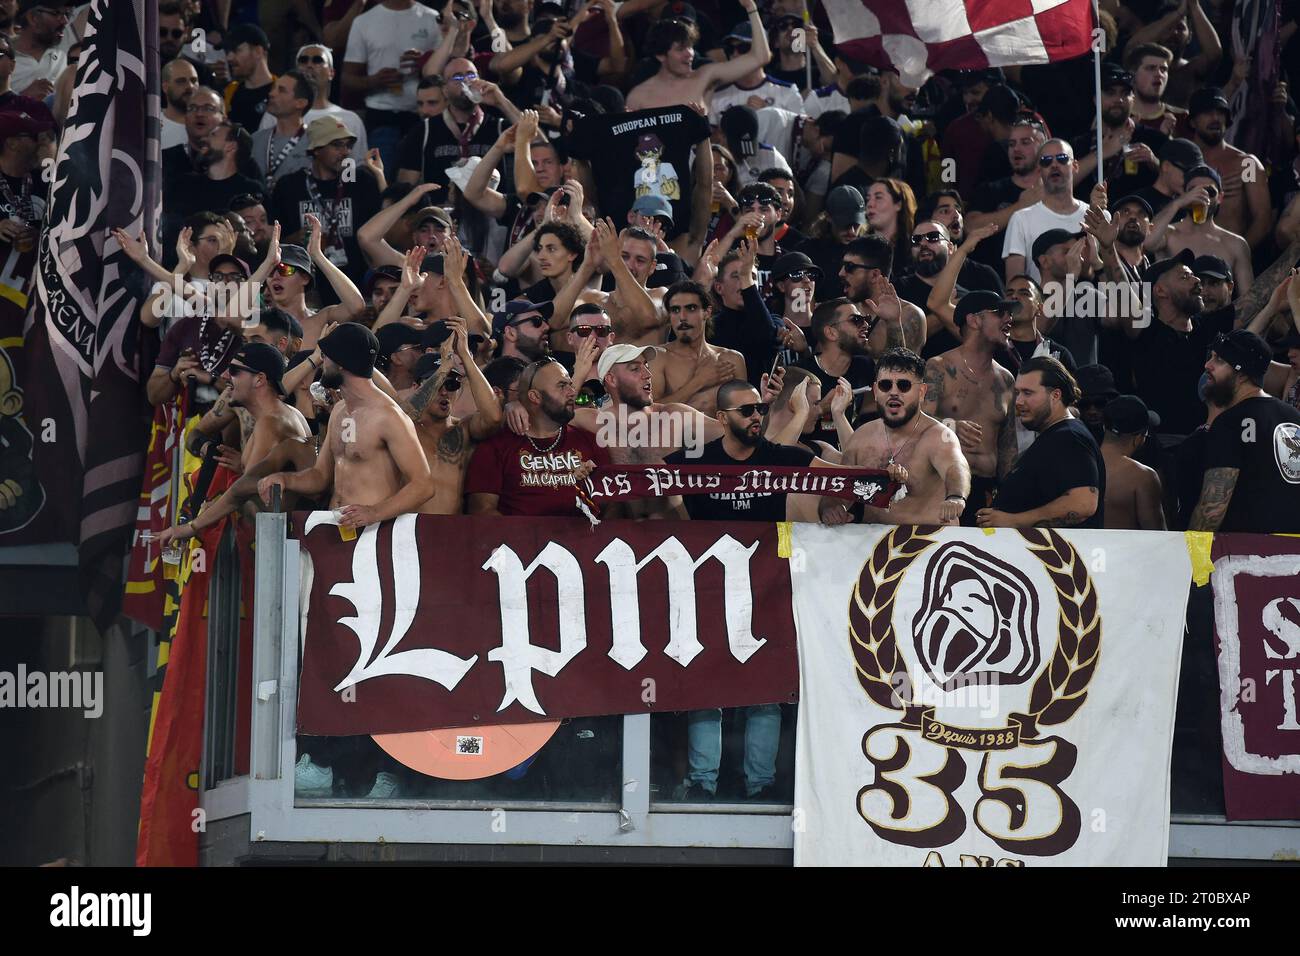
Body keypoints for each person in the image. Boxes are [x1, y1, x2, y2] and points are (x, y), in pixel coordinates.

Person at [258, 323, 434, 528]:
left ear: (342, 362)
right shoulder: (340, 411)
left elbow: (423, 485)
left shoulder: (388, 417)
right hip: (338, 529)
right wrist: (285, 479)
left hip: (373, 533)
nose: (322, 361)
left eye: (325, 356)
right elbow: (320, 476)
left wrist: (374, 512)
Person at [822, 347, 969, 527]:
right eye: (885, 385)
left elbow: (956, 467)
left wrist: (955, 496)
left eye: (903, 385)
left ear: (922, 392)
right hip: (876, 546)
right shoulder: (861, 437)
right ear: (876, 391)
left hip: (930, 544)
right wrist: (831, 509)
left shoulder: (937, 436)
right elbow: (838, 491)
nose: (894, 392)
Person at [464, 356, 610, 517]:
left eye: (570, 384)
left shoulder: (589, 440)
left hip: (585, 539)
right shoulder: (495, 447)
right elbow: (482, 511)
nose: (572, 392)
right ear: (535, 397)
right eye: (562, 386)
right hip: (519, 540)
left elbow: (613, 505)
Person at [922, 290, 1019, 524]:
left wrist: (1009, 498)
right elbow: (917, 423)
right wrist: (950, 427)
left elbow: (1007, 446)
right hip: (943, 487)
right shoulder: (939, 367)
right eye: (1000, 313)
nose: (1009, 319)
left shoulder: (1006, 380)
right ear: (974, 320)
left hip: (986, 493)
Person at [1190, 330, 1300, 533]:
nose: (1208, 365)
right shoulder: (1295, 418)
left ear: (1241, 374)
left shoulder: (1230, 423)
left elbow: (1212, 510)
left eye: (1220, 360)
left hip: (1249, 555)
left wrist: (1189, 557)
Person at [977, 356, 1105, 529]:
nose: (1019, 401)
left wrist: (1013, 521)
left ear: (1056, 395)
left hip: (1058, 554)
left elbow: (1082, 505)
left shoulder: (1069, 437)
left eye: (1028, 393)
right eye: (1017, 393)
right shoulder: (1057, 435)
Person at [405, 317, 503, 514]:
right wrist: (442, 370)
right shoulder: (404, 429)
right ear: (416, 388)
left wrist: (465, 357)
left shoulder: (463, 430)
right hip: (406, 533)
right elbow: (403, 415)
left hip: (452, 535)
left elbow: (493, 418)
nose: (444, 392)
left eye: (451, 385)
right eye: (437, 383)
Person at [271, 116, 382, 288]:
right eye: (337, 145)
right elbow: (272, 240)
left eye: (348, 145)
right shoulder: (289, 186)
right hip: (308, 285)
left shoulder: (360, 181)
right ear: (316, 149)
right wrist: (295, 238)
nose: (346, 152)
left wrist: (380, 177)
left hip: (358, 282)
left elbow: (383, 231)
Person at [624, 7, 769, 112]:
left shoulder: (705, 77)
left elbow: (760, 56)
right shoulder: (638, 97)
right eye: (681, 49)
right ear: (660, 55)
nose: (689, 54)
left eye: (690, 47)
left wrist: (751, 8)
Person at [1143, 164, 1252, 300]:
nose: (1201, 195)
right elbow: (1146, 242)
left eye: (1209, 191)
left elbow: (1247, 298)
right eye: (1193, 191)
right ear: (1184, 194)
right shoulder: (1169, 234)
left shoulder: (1235, 243)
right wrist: (1178, 203)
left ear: (1220, 197)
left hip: (1219, 318)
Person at [652, 279, 747, 415]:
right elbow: (651, 414)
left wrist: (768, 399)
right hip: (676, 435)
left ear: (707, 312)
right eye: (675, 310)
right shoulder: (657, 357)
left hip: (722, 435)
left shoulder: (732, 360)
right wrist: (699, 381)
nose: (682, 317)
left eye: (691, 308)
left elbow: (743, 415)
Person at [1002, 138, 1088, 283]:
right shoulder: (1021, 219)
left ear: (1075, 166)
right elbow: (1014, 286)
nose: (1054, 165)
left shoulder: (1095, 216)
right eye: (1046, 161)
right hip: (1042, 304)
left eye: (1061, 158)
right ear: (1039, 171)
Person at [1100, 395, 1165, 530]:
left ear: (1104, 427)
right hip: (1127, 550)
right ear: (1138, 438)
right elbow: (1156, 533)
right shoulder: (1142, 476)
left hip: (1081, 549)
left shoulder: (1079, 464)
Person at [250, 71, 314, 189]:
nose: (271, 94)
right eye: (273, 88)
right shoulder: (255, 140)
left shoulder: (315, 142)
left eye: (281, 90)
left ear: (300, 103)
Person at [222, 23, 275, 132]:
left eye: (236, 50)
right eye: (227, 51)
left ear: (258, 51)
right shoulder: (229, 93)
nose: (229, 57)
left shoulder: (282, 91)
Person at [160, 58, 200, 151]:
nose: (190, 86)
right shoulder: (152, 122)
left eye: (194, 81)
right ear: (165, 87)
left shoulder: (210, 124)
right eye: (181, 81)